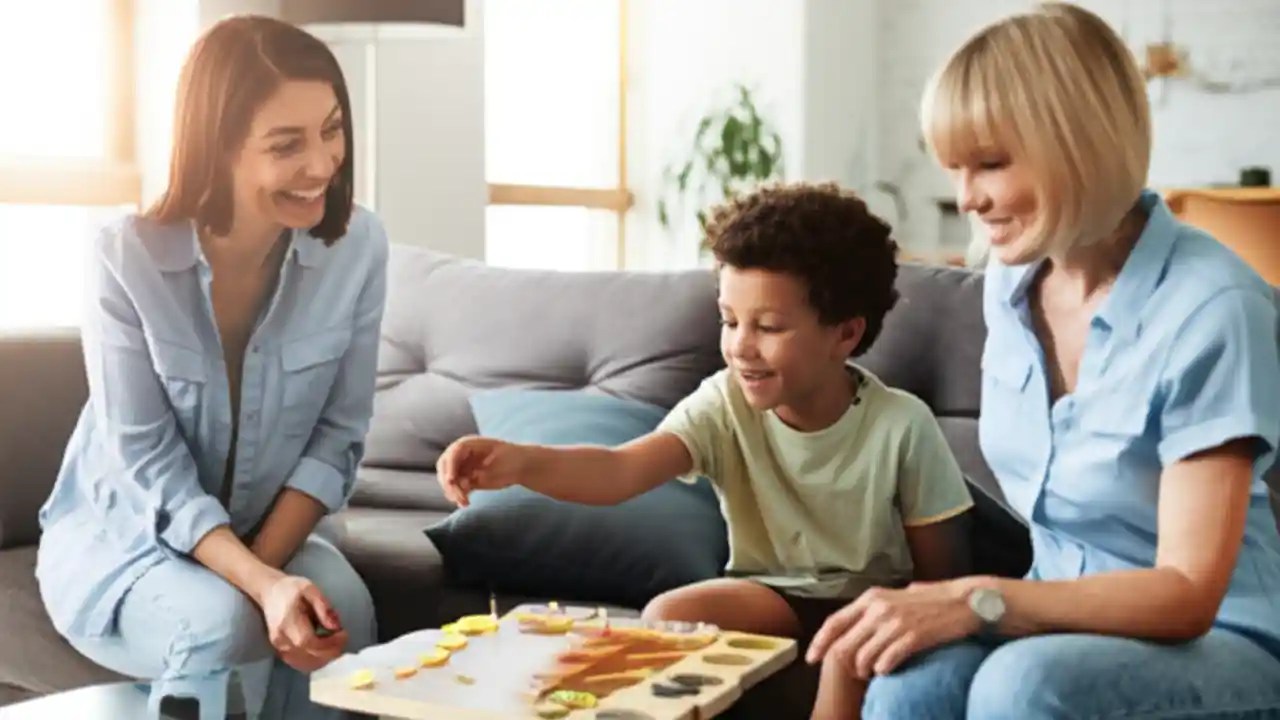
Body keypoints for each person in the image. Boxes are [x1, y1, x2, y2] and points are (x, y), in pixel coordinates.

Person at [803, 3, 1280, 718]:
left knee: (1020, 688)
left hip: (1222, 640)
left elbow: (1185, 590)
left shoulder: (1212, 307)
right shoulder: (1009, 284)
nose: (967, 199)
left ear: (1080, 143)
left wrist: (975, 599)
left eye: (991, 164)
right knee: (910, 683)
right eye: (956, 169)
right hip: (1057, 623)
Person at [436, 181, 975, 720]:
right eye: (730, 320)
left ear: (845, 334)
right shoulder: (723, 403)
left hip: (874, 600)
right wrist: (523, 462)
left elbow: (940, 575)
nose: (741, 345)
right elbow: (621, 471)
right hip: (771, 594)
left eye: (768, 326)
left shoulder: (901, 424)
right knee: (670, 612)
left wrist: (908, 627)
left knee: (842, 655)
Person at [35, 15, 387, 719]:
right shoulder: (123, 256)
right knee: (218, 624)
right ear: (215, 147)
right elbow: (147, 461)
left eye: (332, 130)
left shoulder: (359, 248)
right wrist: (260, 587)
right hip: (128, 540)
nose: (322, 164)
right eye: (286, 145)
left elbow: (337, 437)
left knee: (343, 608)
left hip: (267, 533)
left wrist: (269, 574)